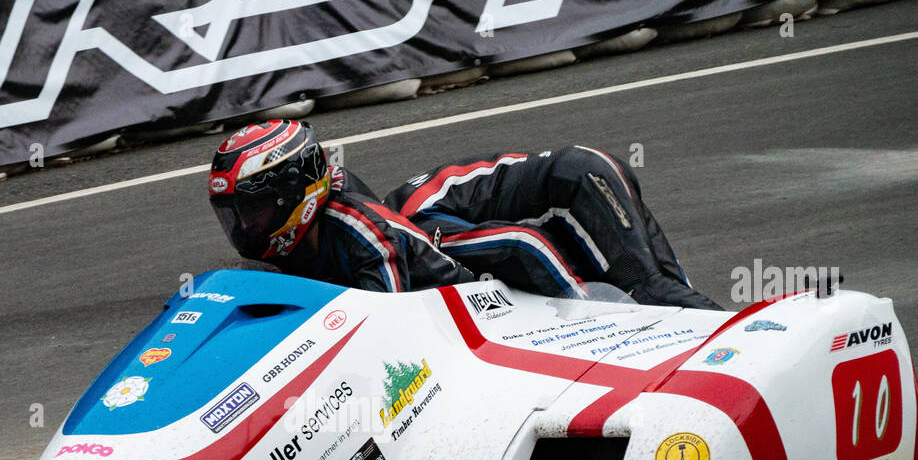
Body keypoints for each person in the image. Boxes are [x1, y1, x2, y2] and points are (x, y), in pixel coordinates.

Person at [207, 119, 722, 310]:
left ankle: (739, 337)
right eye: (236, 214)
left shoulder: (397, 231)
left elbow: (522, 246)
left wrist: (582, 311)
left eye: (254, 210)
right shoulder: (348, 227)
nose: (246, 228)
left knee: (654, 294)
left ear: (300, 193)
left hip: (581, 183)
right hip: (555, 215)